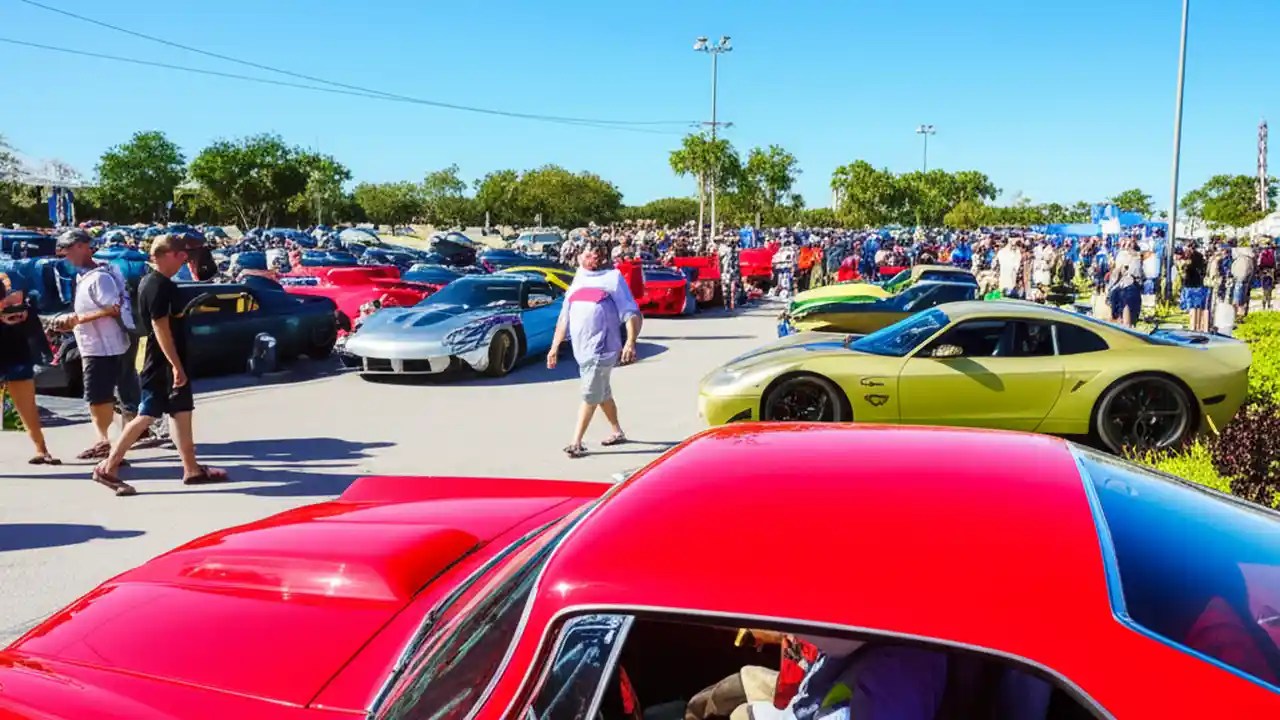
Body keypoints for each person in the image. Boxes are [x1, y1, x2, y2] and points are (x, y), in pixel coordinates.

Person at [92, 235, 229, 496]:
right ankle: (108, 467)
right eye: (181, 256)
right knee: (148, 412)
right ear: (167, 255)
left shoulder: (156, 283)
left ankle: (191, 468)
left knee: (182, 410)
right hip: (162, 360)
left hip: (162, 357)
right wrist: (176, 365)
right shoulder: (157, 286)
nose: (184, 260)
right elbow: (160, 327)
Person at [546, 242, 641, 459]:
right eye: (588, 255)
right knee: (602, 392)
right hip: (582, 349)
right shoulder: (578, 278)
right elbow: (564, 317)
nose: (592, 259)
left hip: (603, 348)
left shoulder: (612, 278)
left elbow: (630, 312)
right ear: (580, 257)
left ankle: (576, 442)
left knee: (590, 393)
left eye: (597, 256)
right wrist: (554, 347)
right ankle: (617, 431)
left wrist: (630, 342)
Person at [52, 229, 137, 460]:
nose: (65, 257)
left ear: (82, 246)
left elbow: (113, 308)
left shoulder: (100, 277)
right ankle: (105, 441)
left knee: (99, 397)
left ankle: (108, 445)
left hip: (104, 347)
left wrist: (76, 320)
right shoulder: (84, 275)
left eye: (67, 251)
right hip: (93, 345)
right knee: (97, 397)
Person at [0, 273, 59, 465]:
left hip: (16, 353)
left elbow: (31, 318)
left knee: (27, 406)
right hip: (17, 353)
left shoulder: (13, 277)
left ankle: (42, 450)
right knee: (26, 405)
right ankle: (42, 450)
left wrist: (21, 314)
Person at [1179, 244, 1210, 332]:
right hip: (1198, 284)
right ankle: (1198, 326)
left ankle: (1193, 326)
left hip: (1190, 284)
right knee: (1198, 305)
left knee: (1192, 305)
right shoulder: (1200, 258)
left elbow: (1186, 271)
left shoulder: (1189, 260)